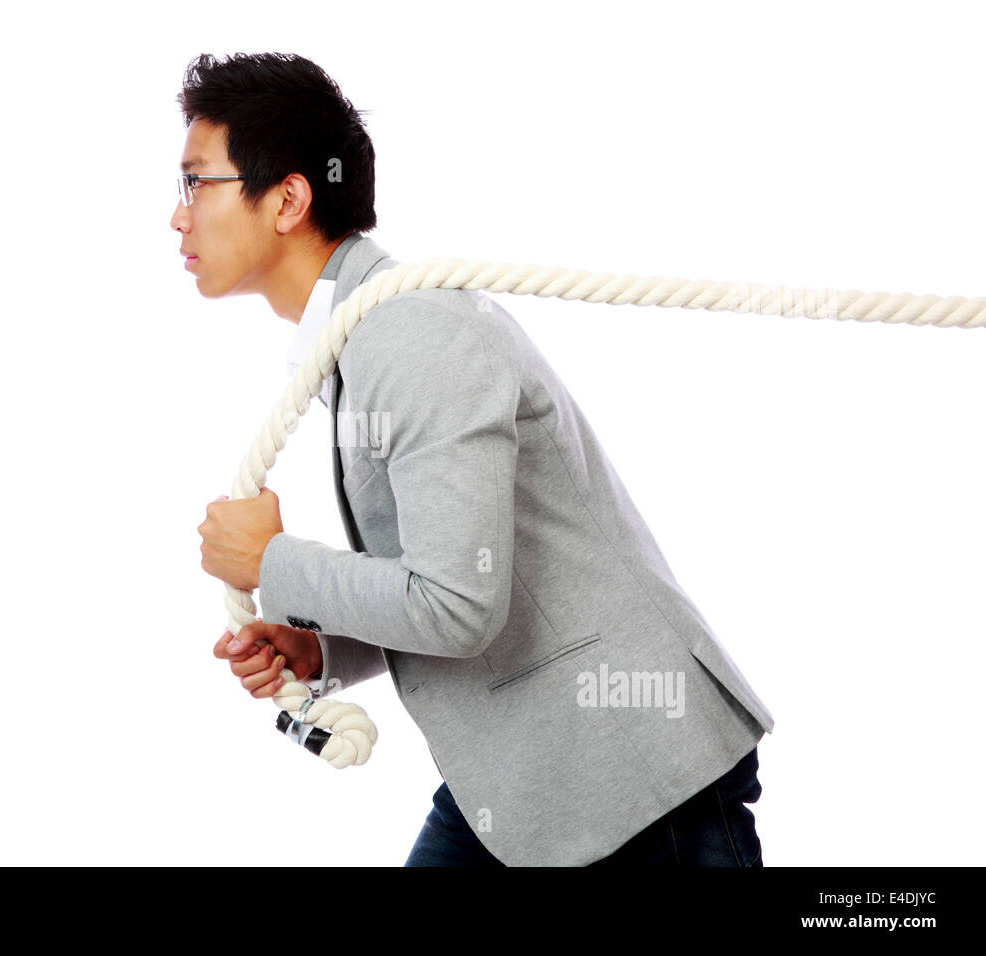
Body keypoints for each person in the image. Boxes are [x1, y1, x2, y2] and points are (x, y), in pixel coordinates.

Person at [178, 52, 773, 866]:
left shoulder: (413, 332)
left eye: (194, 182)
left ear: (288, 196)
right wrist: (327, 649)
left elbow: (458, 604)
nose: (177, 217)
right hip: (525, 783)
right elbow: (457, 578)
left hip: (629, 780)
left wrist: (274, 561)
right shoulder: (363, 338)